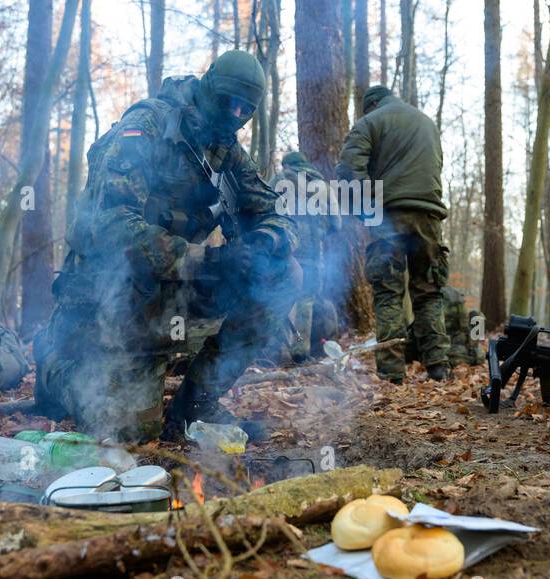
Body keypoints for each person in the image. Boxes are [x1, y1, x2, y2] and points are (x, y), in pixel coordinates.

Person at [34, 50, 299, 443]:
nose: (236, 113)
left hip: (171, 289)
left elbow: (278, 213)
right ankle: (53, 361)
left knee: (283, 274)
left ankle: (196, 404)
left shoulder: (225, 151)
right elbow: (112, 229)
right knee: (128, 430)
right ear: (209, 86)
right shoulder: (148, 126)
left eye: (246, 109)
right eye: (229, 101)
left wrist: (263, 242)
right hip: (108, 295)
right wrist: (206, 261)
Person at [335, 84, 450, 384]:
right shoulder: (426, 122)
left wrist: (363, 210)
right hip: (429, 215)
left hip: (388, 215)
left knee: (388, 294)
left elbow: (348, 172)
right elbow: (436, 165)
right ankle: (438, 367)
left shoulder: (369, 123)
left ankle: (392, 374)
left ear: (370, 105)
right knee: (429, 293)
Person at [273, 150, 339, 363]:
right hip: (312, 254)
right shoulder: (322, 186)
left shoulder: (280, 180)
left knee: (279, 297)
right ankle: (300, 351)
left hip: (284, 251)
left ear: (287, 165)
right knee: (306, 300)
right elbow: (336, 223)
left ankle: (277, 351)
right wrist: (320, 232)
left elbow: (262, 208)